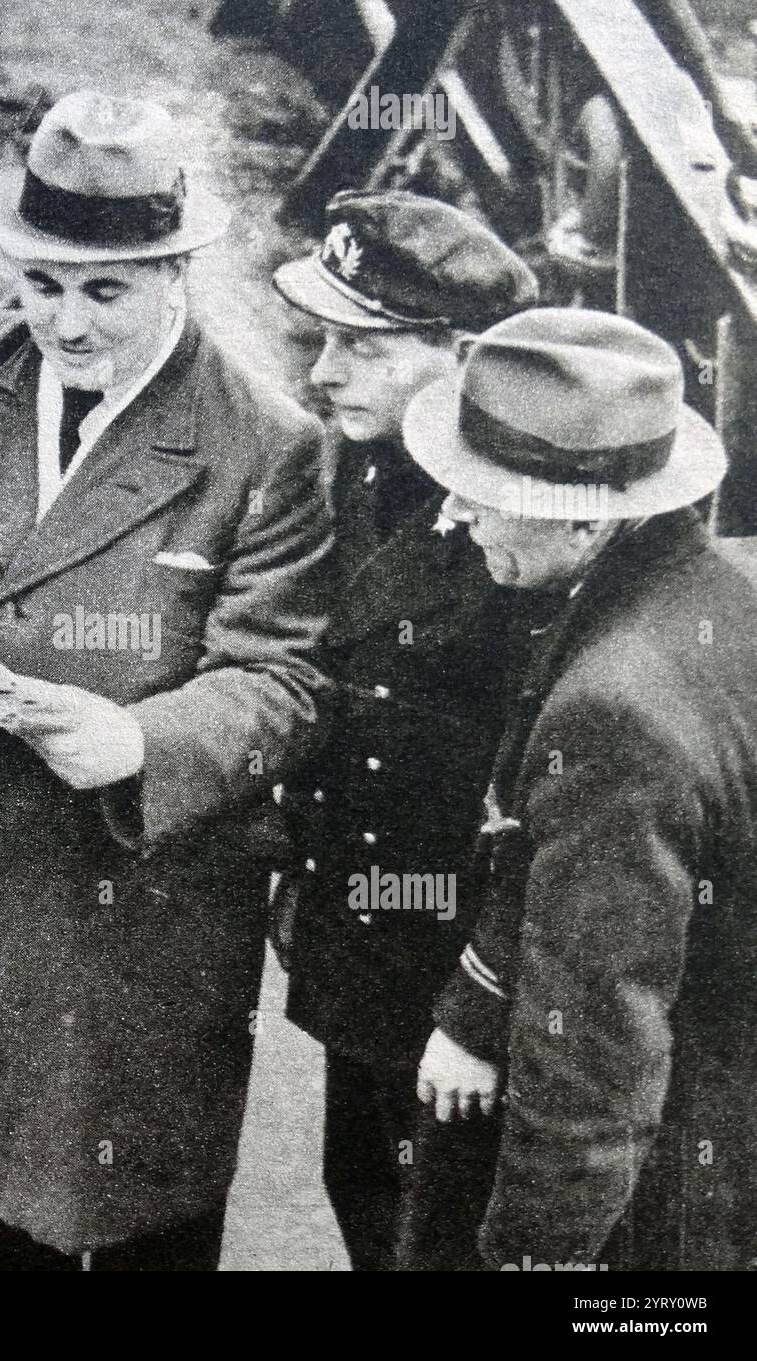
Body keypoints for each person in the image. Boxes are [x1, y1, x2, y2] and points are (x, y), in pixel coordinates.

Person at [0, 89, 333, 1270]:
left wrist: (141, 741)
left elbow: (278, 677)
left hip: (125, 908)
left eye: (105, 289)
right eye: (41, 283)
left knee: (138, 1219)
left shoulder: (262, 440)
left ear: (176, 269)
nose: (64, 322)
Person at [406, 307, 757, 1271]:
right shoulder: (717, 585)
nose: (452, 514)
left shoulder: (614, 715)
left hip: (666, 1199)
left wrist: (536, 1256)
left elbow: (596, 1054)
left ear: (592, 514)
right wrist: (479, 1013)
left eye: (481, 493)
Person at [268, 189, 539, 1270]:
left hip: (458, 965)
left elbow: (549, 796)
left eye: (363, 347)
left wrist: (481, 1000)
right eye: (325, 338)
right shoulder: (363, 466)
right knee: (364, 1189)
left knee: (441, 1235)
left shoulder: (519, 526)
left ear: (464, 355)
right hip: (364, 947)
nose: (324, 373)